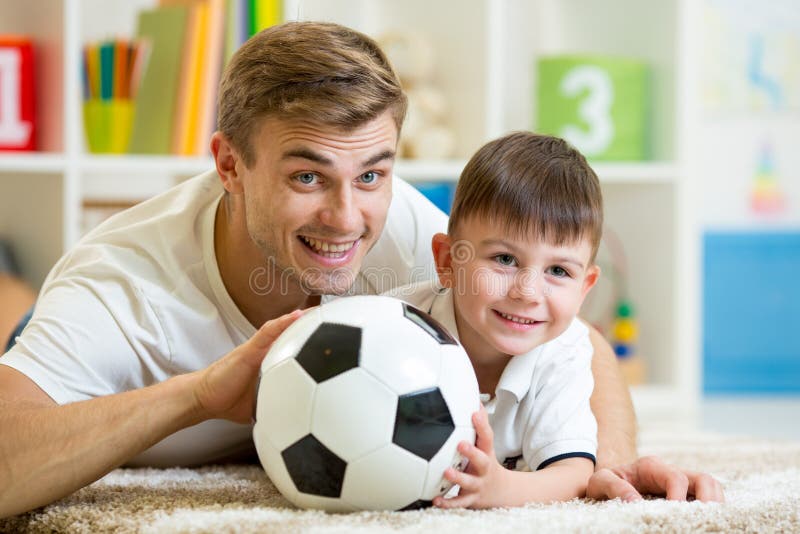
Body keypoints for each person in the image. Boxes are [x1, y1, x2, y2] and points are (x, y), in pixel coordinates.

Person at [0, 22, 722, 518]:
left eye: (372, 174)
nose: (348, 221)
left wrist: (611, 466)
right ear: (229, 165)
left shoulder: (412, 233)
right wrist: (198, 396)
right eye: (308, 178)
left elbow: (568, 338)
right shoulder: (122, 281)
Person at [387, 131, 604, 508]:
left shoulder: (563, 353)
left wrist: (502, 489)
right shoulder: (395, 325)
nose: (528, 292)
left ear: (584, 288)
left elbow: (574, 472)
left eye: (558, 270)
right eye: (505, 259)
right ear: (447, 261)